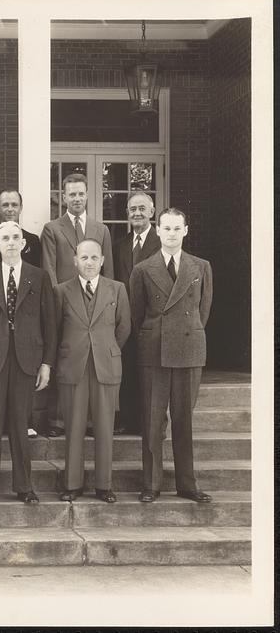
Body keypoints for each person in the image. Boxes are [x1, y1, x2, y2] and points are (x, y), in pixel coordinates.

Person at [0, 221, 56, 504]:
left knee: (20, 425)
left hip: (26, 361)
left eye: (16, 237)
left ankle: (24, 486)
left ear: (23, 243)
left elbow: (50, 324)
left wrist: (46, 364)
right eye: (5, 238)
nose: (11, 243)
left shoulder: (39, 277)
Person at [129, 208, 213, 504]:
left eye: (177, 228)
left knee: (183, 419)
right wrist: (157, 335)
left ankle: (187, 484)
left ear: (185, 231)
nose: (172, 233)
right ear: (158, 230)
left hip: (189, 349)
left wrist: (186, 332)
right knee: (153, 419)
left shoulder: (201, 267)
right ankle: (151, 484)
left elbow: (202, 311)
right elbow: (137, 315)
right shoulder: (142, 268)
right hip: (154, 350)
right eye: (166, 228)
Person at [55, 239, 131, 504]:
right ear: (75, 260)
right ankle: (72, 484)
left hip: (105, 365)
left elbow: (123, 328)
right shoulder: (61, 291)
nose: (89, 263)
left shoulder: (117, 289)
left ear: (102, 260)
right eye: (83, 258)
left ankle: (103, 485)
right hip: (73, 366)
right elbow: (55, 330)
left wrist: (105, 349)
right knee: (74, 427)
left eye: (94, 258)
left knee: (104, 427)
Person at [41, 173, 113, 437]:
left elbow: (109, 273)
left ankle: (92, 421)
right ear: (64, 197)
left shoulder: (101, 229)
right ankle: (60, 420)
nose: (76, 198)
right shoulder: (53, 229)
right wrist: (53, 303)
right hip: (65, 302)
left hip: (95, 305)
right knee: (65, 357)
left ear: (87, 195)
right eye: (71, 194)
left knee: (93, 361)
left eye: (80, 193)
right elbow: (48, 268)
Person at [113, 192, 161, 436]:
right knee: (128, 370)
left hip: (153, 319)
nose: (137, 213)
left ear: (152, 212)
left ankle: (152, 424)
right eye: (132, 209)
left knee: (152, 374)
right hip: (125, 319)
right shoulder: (120, 245)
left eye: (142, 208)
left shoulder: (162, 243)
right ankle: (129, 420)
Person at [0, 190, 42, 272]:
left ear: (21, 208)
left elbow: (36, 275)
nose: (10, 209)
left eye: (14, 205)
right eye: (5, 205)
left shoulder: (33, 240)